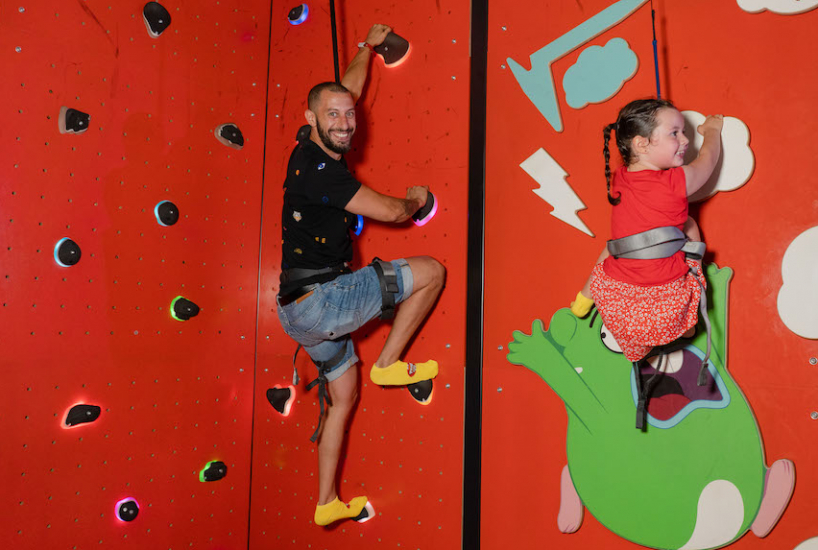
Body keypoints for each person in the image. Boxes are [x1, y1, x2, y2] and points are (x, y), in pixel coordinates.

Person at [276, 23, 446, 527]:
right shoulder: (323, 172)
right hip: (323, 300)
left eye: (348, 114)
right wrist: (418, 199)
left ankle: (326, 502)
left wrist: (366, 49)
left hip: (297, 315)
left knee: (342, 396)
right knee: (431, 271)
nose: (346, 122)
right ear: (312, 119)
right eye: (335, 116)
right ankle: (390, 363)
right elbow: (392, 212)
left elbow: (344, 88)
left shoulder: (309, 144)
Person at [570, 98, 723, 365]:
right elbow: (707, 161)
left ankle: (584, 298)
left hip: (616, 305)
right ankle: (686, 326)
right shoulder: (677, 182)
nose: (685, 140)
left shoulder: (620, 176)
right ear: (641, 143)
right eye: (675, 133)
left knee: (617, 246)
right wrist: (712, 131)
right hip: (666, 307)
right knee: (688, 226)